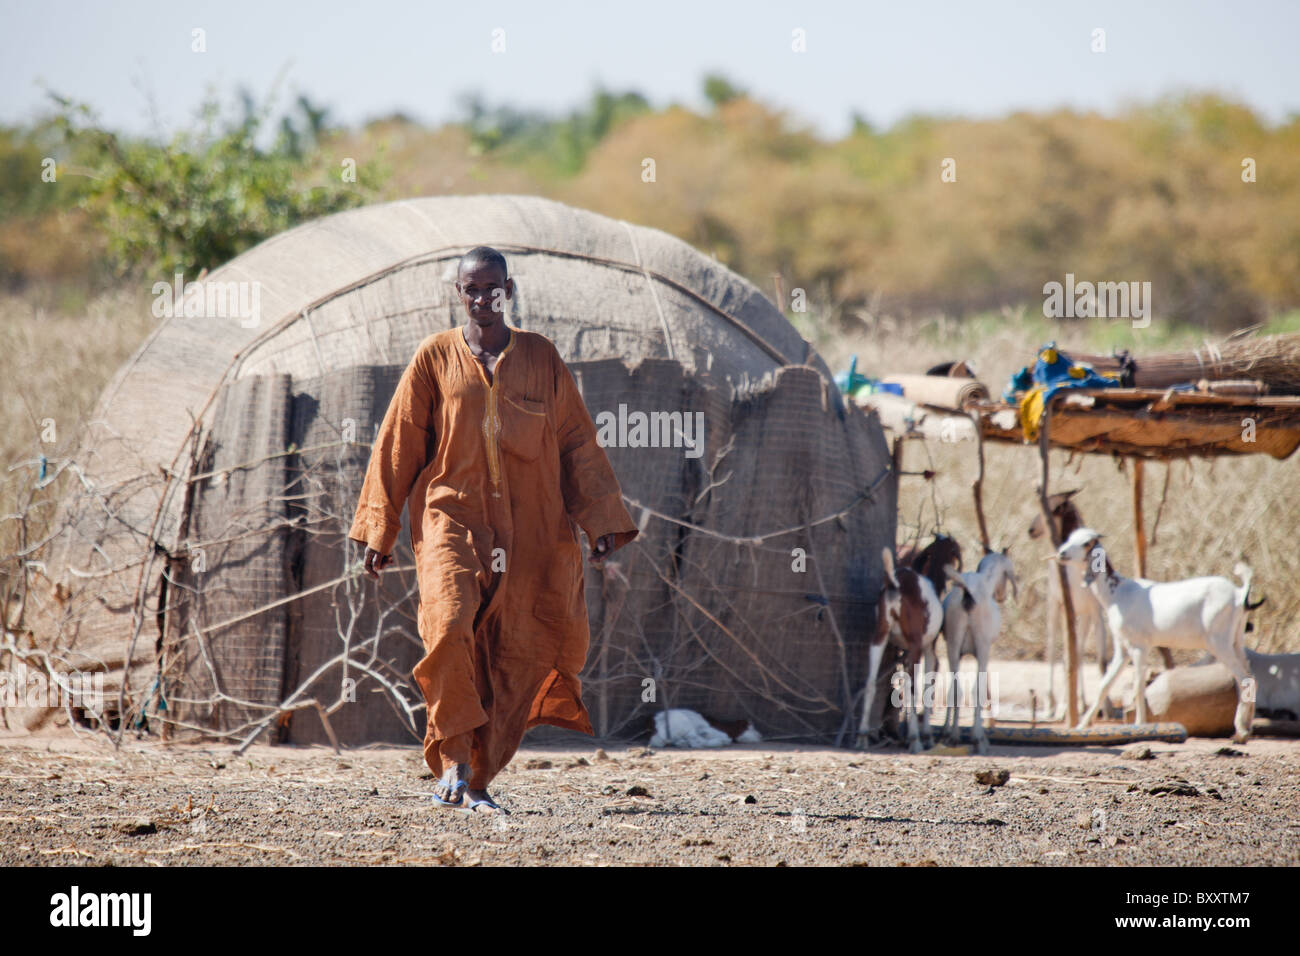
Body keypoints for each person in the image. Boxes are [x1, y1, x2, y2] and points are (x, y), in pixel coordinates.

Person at [347, 246, 637, 814]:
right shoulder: (434, 358)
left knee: (514, 650)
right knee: (448, 622)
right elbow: (398, 440)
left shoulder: (541, 358)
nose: (482, 299)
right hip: (450, 518)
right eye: (470, 290)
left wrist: (600, 519)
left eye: (492, 288)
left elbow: (577, 441)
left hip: (531, 530)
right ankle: (453, 760)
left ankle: (478, 779)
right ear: (458, 294)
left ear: (511, 289)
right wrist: (378, 527)